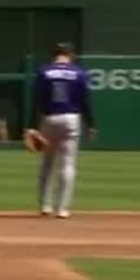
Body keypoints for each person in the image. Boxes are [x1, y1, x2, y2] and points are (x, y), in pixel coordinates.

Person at [32, 43, 96, 219]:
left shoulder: (44, 71)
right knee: (68, 163)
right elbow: (85, 101)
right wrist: (91, 124)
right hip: (71, 119)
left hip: (49, 118)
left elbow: (37, 100)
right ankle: (63, 209)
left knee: (47, 163)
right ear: (70, 54)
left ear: (54, 55)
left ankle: (45, 206)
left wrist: (32, 126)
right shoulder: (79, 73)